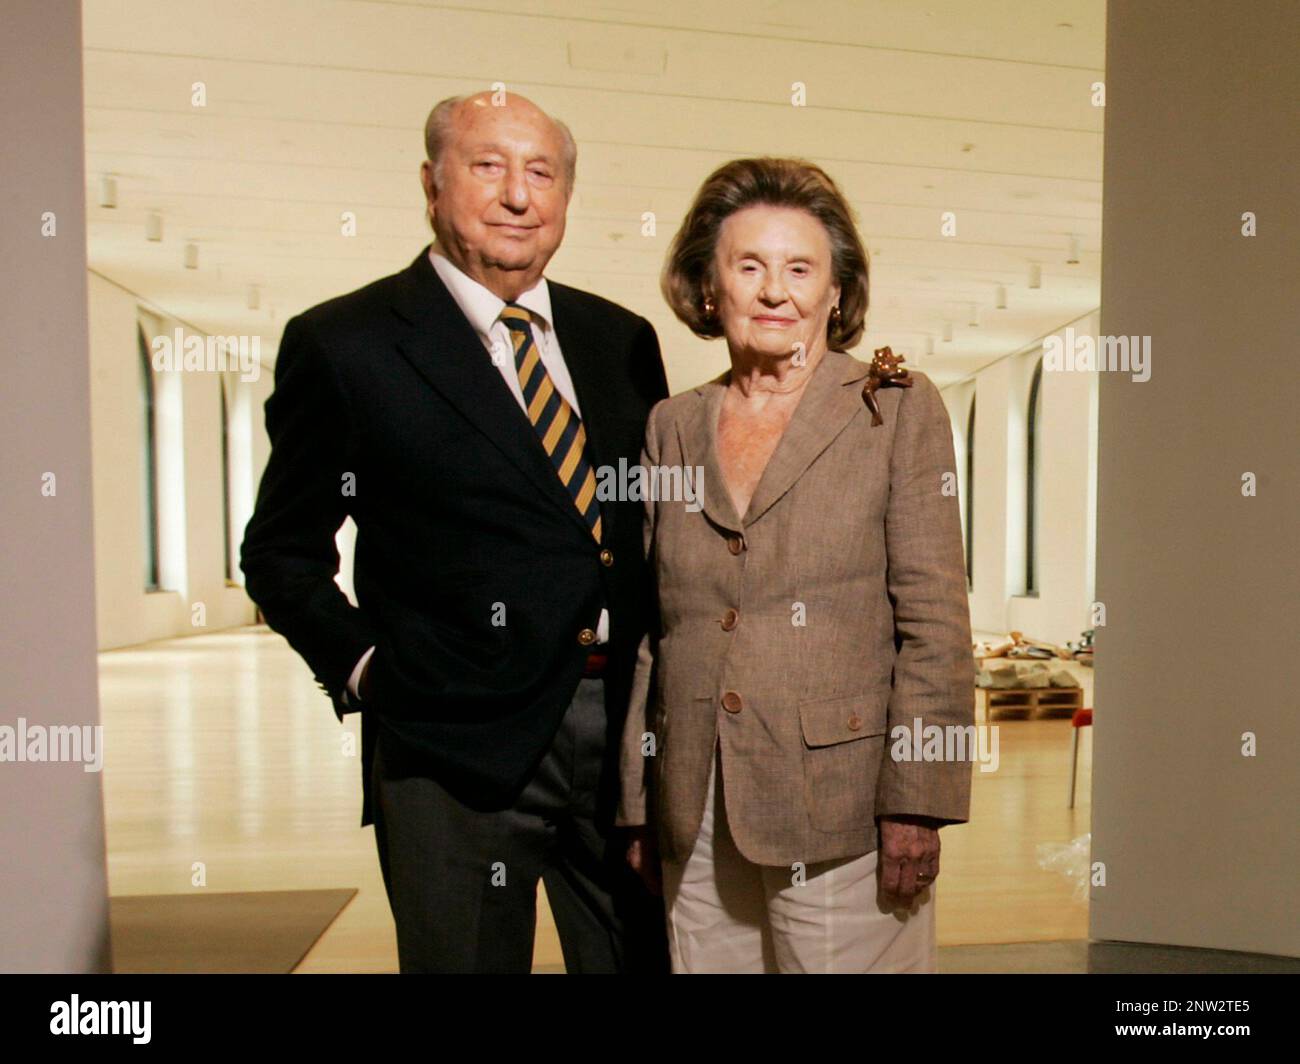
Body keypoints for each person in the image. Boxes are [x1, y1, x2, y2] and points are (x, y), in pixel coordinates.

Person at [241, 92, 669, 973]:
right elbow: (281, 554)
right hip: (451, 750)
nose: (519, 195)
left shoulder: (621, 339)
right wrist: (371, 671)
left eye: (541, 172)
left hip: (625, 738)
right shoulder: (346, 343)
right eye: (489, 166)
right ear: (431, 184)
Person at [617, 157, 974, 973]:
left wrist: (917, 805)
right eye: (749, 267)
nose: (775, 291)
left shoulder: (896, 408)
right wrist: (638, 803)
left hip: (841, 805)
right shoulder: (673, 425)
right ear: (710, 291)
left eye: (800, 268)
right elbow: (658, 629)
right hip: (694, 803)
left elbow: (935, 628)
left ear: (837, 293)